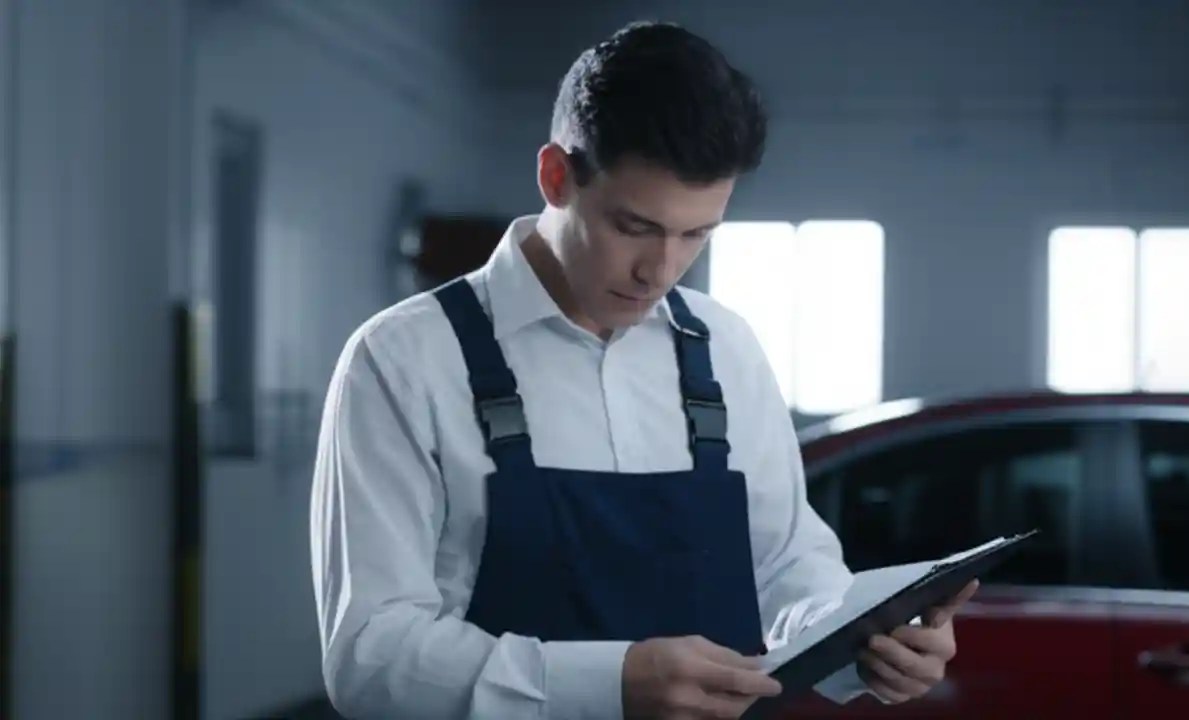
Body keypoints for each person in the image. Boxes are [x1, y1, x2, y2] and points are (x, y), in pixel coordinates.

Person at [310, 20, 977, 720]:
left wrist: (867, 644)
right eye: (635, 227)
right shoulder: (402, 359)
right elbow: (369, 657)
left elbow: (785, 569)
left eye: (696, 235)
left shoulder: (727, 348)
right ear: (556, 176)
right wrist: (609, 683)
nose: (660, 271)